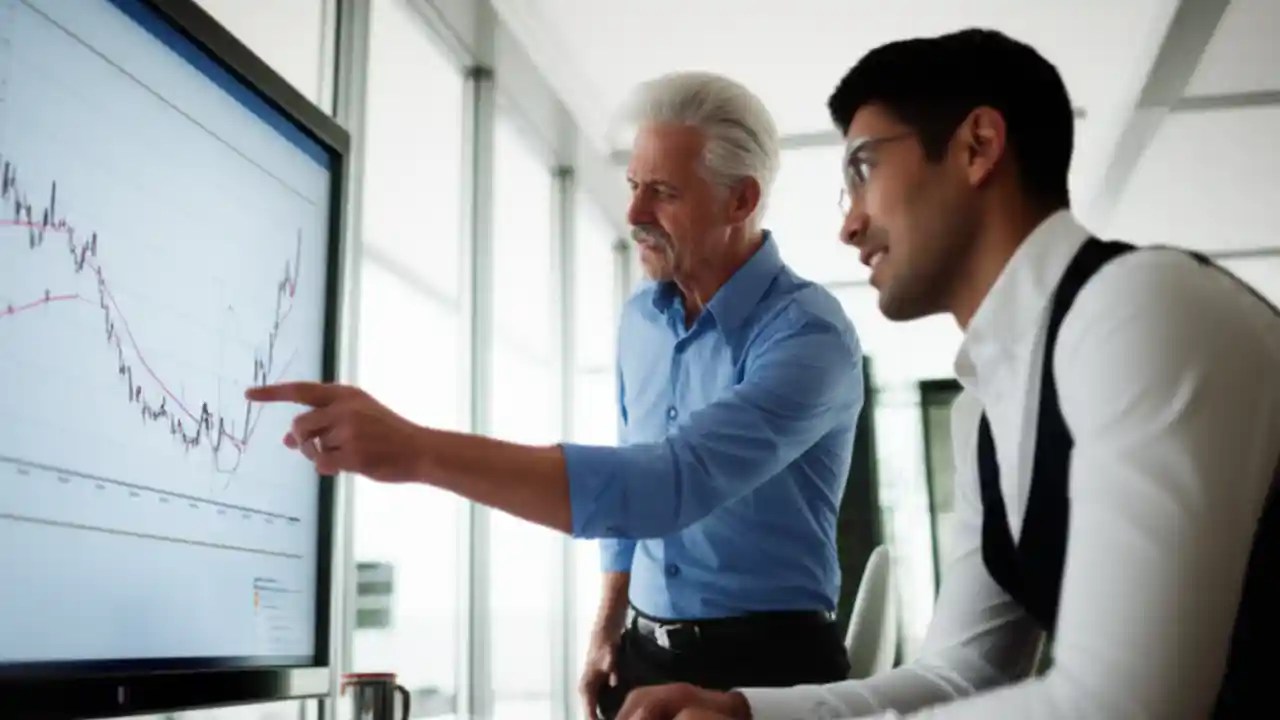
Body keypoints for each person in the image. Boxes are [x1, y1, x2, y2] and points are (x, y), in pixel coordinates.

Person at [610, 27, 1280, 720]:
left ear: (977, 147)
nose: (850, 224)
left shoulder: (1141, 309)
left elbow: (1127, 704)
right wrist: (746, 712)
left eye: (864, 169)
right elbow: (967, 671)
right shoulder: (988, 414)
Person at [247, 72, 865, 719]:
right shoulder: (641, 321)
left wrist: (417, 451)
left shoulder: (808, 334)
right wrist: (609, 624)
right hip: (644, 652)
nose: (634, 215)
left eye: (663, 193)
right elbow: (632, 466)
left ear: (740, 201)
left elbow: (667, 485)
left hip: (771, 665)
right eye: (633, 186)